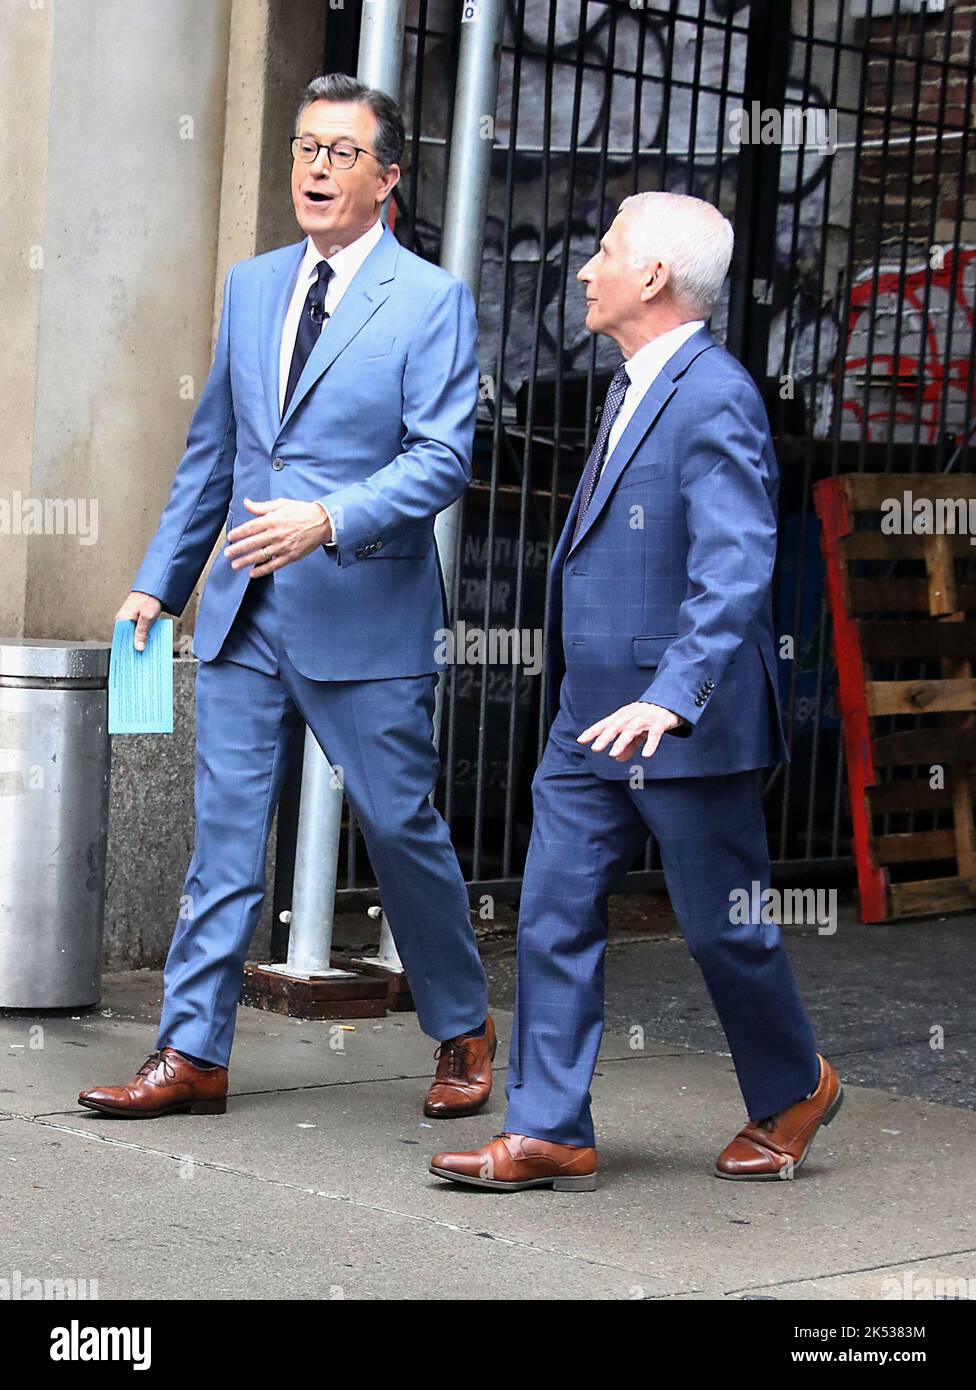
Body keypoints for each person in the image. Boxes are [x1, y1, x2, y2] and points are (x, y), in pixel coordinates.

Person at [79, 74, 494, 1122]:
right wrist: (155, 583)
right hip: (242, 613)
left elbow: (442, 459)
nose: (314, 168)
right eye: (306, 148)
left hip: (365, 612)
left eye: (340, 153)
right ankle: (192, 1053)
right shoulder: (253, 285)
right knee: (221, 840)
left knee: (399, 829)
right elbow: (213, 452)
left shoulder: (430, 299)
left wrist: (329, 517)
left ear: (387, 178)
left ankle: (460, 1026)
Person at [430, 192, 841, 1192]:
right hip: (588, 721)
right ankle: (547, 1126)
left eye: (603, 250)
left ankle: (795, 1085)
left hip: (679, 723)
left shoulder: (715, 393)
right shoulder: (628, 386)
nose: (583, 268)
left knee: (720, 928)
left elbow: (738, 561)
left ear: (651, 276)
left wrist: (675, 690)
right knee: (552, 910)